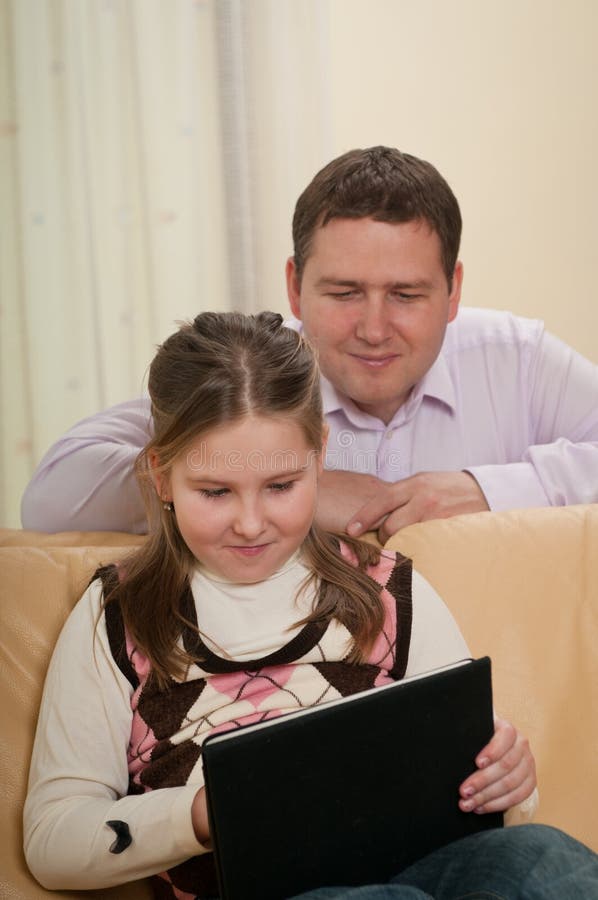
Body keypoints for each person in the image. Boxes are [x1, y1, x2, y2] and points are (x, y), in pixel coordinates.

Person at [24, 310, 577, 900]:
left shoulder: (387, 591)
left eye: (282, 486)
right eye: (214, 492)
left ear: (319, 455)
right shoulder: (119, 615)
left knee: (545, 858)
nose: (251, 522)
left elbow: (477, 782)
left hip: (417, 868)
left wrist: (508, 780)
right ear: (160, 475)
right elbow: (54, 840)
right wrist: (202, 814)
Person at [20, 147, 598, 541]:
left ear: (453, 292)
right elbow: (52, 499)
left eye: (406, 294)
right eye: (345, 292)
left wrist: (487, 490)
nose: (373, 329)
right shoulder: (253, 373)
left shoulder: (516, 358)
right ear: (295, 287)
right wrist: (291, 487)